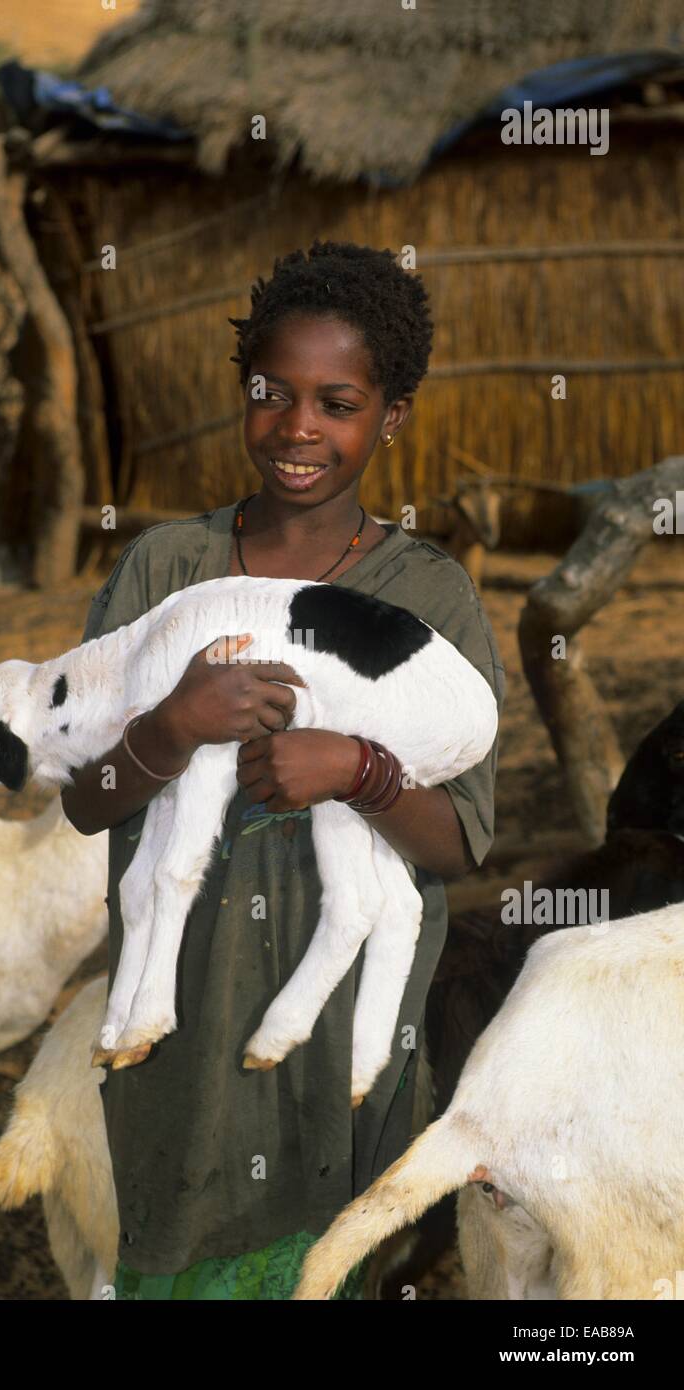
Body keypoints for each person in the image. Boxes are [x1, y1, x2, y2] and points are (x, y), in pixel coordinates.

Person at [61, 240, 506, 1300]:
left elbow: (459, 838)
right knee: (178, 1256)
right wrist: (172, 726)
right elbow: (86, 800)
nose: (297, 426)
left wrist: (358, 768)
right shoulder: (165, 570)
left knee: (326, 1264)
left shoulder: (424, 596)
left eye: (336, 401)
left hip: (343, 1029)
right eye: (272, 394)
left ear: (389, 414)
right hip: (181, 1035)